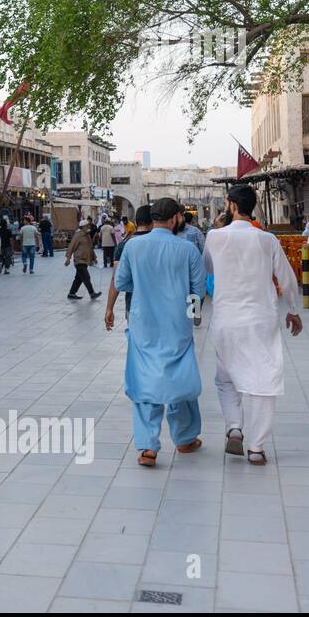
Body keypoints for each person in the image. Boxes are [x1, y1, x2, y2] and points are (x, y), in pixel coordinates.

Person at [204, 184, 303, 466]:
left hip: (227, 319)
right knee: (264, 381)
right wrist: (293, 310)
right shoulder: (267, 240)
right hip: (261, 319)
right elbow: (287, 278)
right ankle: (257, 448)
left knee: (225, 379)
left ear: (232, 205)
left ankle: (234, 426)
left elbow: (207, 270)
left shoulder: (214, 237)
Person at [106, 198, 206, 467]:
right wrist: (193, 317)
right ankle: (185, 438)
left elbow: (123, 282)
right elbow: (197, 291)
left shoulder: (133, 246)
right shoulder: (187, 250)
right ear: (175, 219)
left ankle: (148, 446)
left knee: (144, 382)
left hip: (143, 325)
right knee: (179, 379)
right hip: (177, 327)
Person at [105, 203, 152, 321]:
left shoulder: (124, 245)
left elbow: (115, 278)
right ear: (153, 222)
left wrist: (109, 308)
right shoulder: (162, 244)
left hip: (133, 305)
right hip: (158, 307)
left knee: (134, 339)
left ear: (135, 222)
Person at [64, 220, 101, 300]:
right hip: (79, 260)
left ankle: (71, 293)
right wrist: (68, 258)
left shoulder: (87, 235)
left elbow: (90, 248)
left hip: (85, 260)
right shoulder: (78, 236)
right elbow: (71, 246)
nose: (89, 227)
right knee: (86, 277)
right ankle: (92, 293)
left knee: (79, 278)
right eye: (87, 226)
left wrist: (94, 258)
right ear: (83, 227)